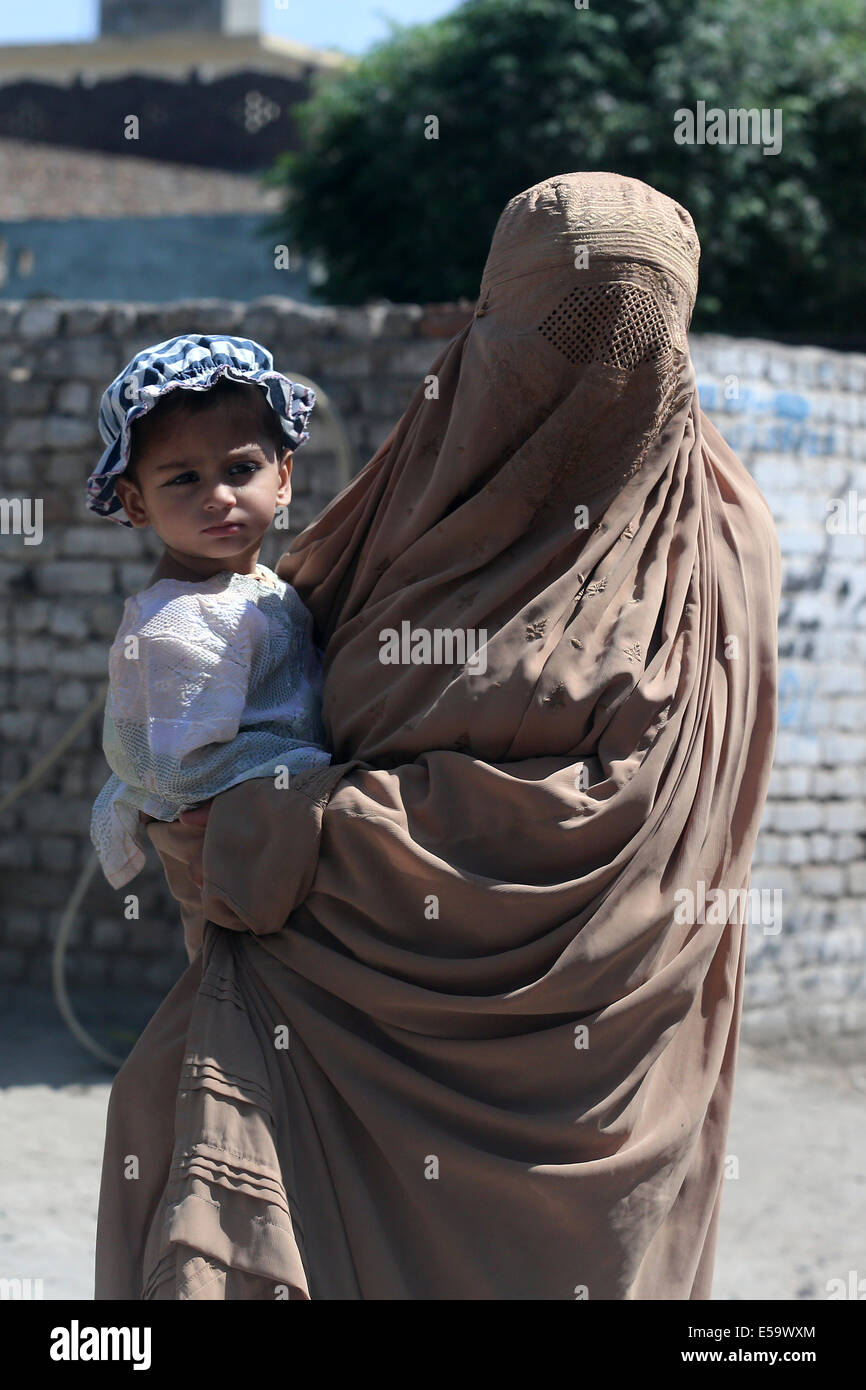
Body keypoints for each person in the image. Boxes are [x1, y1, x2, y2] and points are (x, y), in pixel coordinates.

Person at [94, 171, 781, 1300]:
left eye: (628, 332)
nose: (585, 365)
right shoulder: (416, 495)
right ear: (486, 317)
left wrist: (272, 830)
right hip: (316, 1033)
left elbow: (628, 816)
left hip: (597, 1065)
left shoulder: (716, 540)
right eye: (554, 327)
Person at [85, 336, 332, 959]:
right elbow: (174, 771)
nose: (218, 495)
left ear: (284, 478)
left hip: (261, 847)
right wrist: (314, 776)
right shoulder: (176, 624)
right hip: (227, 867)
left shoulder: (257, 585)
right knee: (239, 1008)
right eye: (185, 478)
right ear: (137, 503)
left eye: (240, 469)